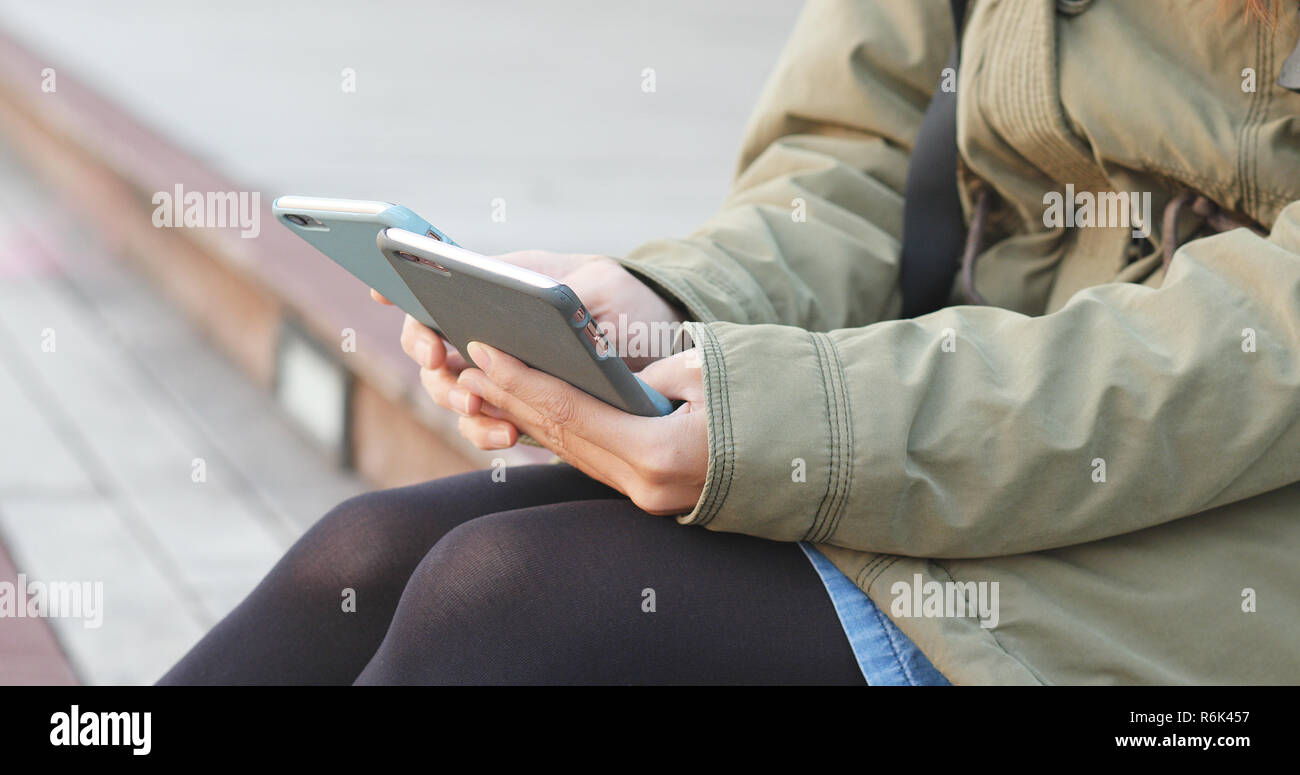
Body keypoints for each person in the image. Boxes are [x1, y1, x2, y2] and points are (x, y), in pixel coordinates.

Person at [160, 0, 1300, 685]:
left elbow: (1254, 340)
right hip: (970, 411)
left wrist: (800, 428)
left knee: (510, 608)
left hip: (1224, 527)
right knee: (355, 559)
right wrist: (661, 298)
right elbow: (855, 159)